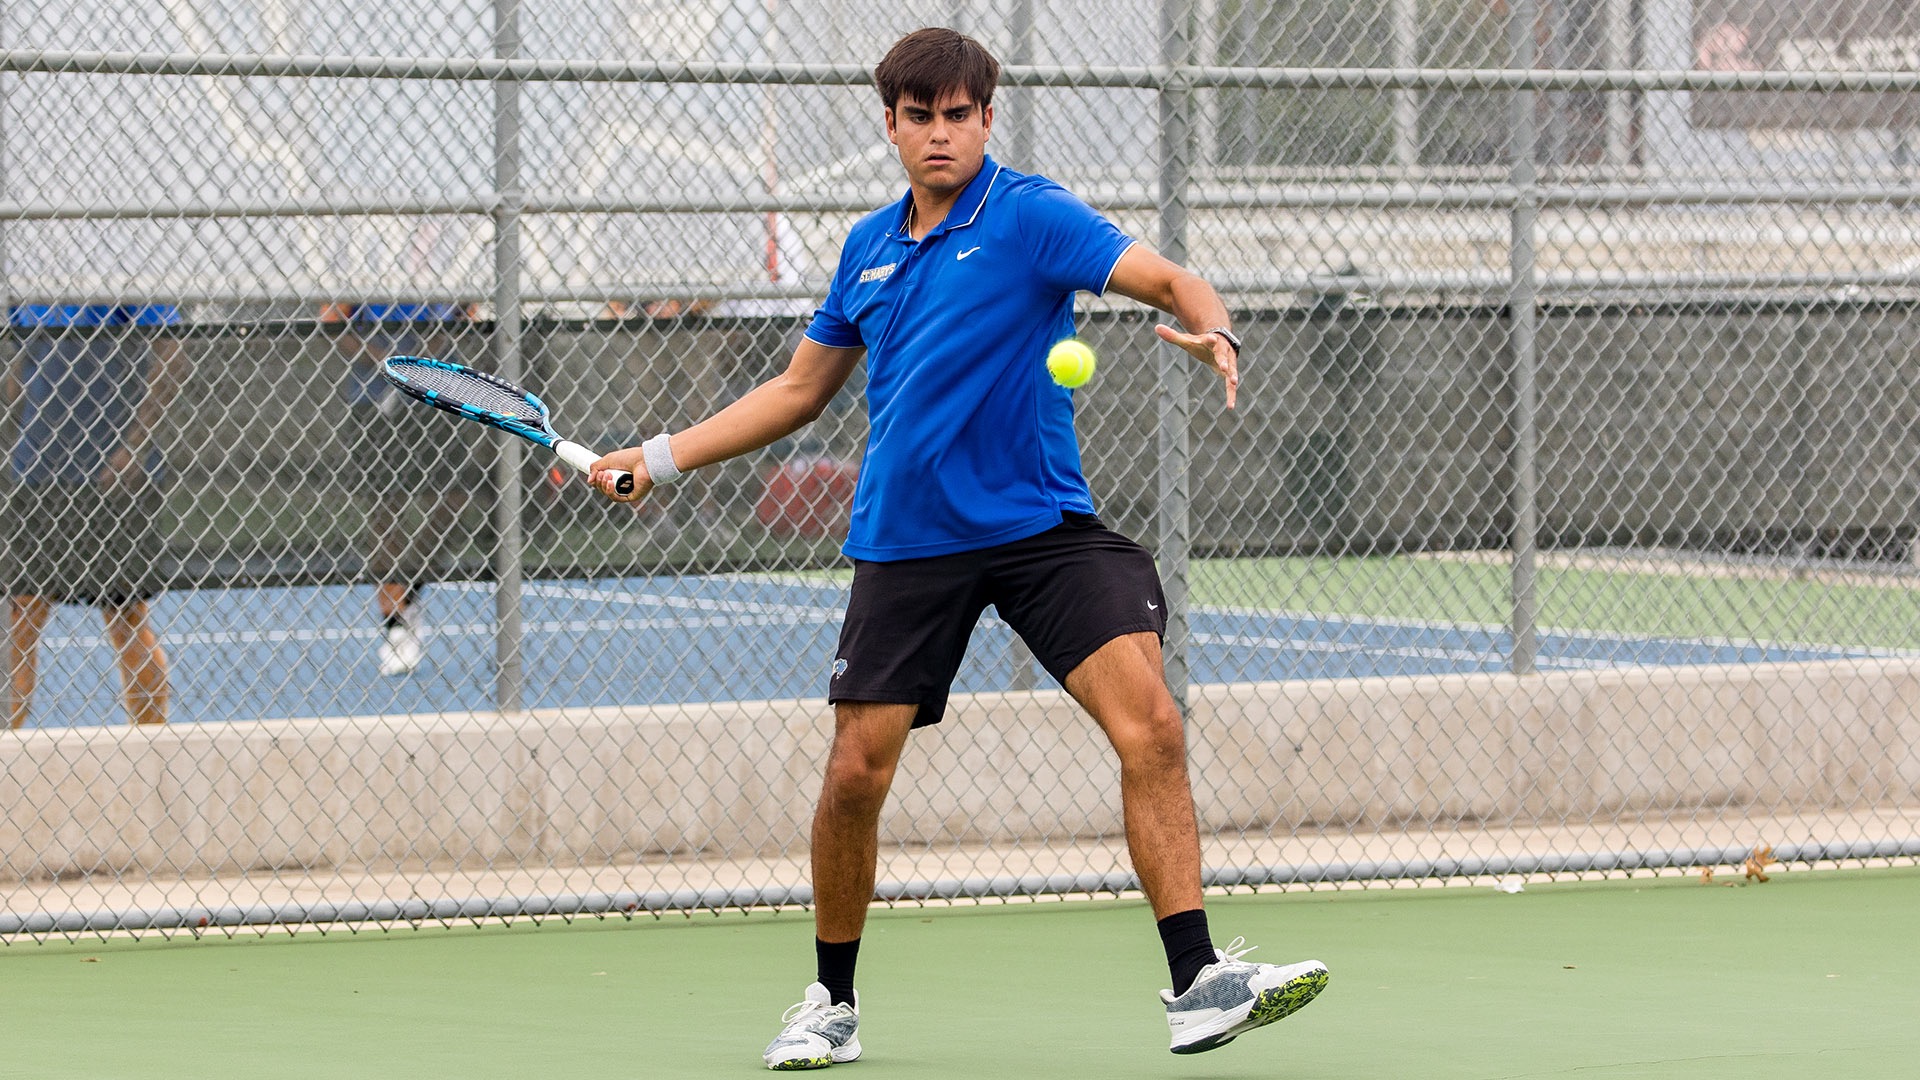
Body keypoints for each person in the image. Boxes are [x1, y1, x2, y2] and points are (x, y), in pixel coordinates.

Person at [588, 28, 1328, 1067]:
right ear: (891, 125)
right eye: (920, 116)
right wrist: (659, 459)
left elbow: (1166, 278)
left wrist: (1214, 324)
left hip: (1041, 531)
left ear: (987, 118)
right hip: (908, 541)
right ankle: (832, 1003)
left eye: (959, 114)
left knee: (1151, 723)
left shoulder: (1029, 216)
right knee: (856, 772)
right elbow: (800, 390)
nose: (941, 134)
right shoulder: (866, 250)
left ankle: (1199, 981)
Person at [3, 303, 188, 728]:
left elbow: (172, 354)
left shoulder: (121, 263)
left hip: (112, 471)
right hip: (40, 471)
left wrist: (135, 445)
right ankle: (7, 744)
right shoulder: (25, 274)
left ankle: (151, 746)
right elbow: (17, 368)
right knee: (23, 611)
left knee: (125, 614)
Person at [322, 300, 488, 676]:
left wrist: (427, 355)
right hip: (372, 400)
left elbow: (468, 309)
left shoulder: (447, 253)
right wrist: (384, 362)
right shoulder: (360, 255)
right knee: (385, 507)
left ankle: (409, 590)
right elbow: (332, 318)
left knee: (454, 500)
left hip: (438, 391)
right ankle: (396, 622)